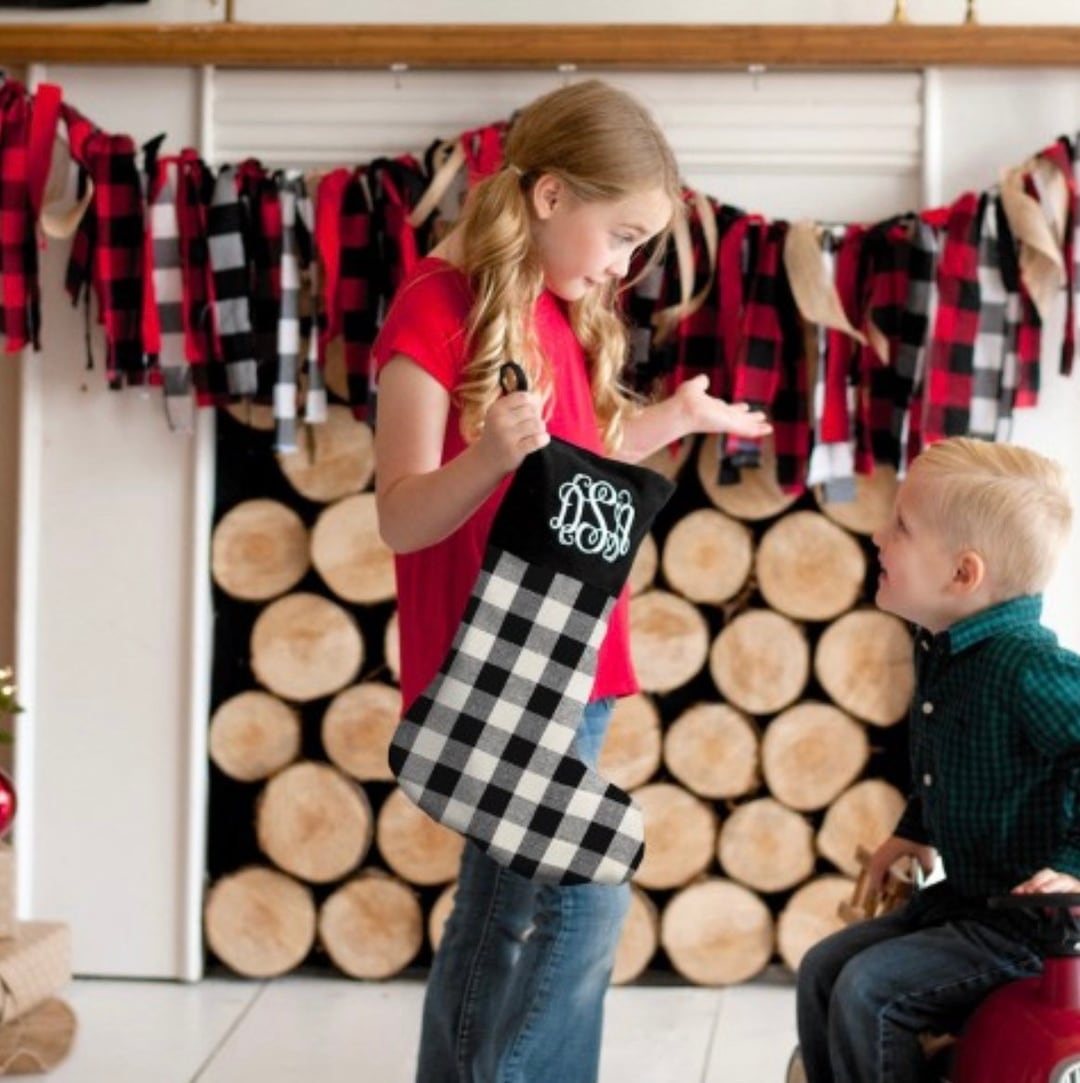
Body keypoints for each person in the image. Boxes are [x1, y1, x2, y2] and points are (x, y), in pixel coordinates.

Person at [372, 79, 770, 1083]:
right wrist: (483, 461)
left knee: (509, 905)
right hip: (496, 665)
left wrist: (670, 419)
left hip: (570, 655)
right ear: (550, 198)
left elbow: (568, 467)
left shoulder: (557, 309)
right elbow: (402, 513)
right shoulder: (435, 309)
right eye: (621, 234)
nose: (627, 266)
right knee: (571, 894)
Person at [795, 436, 1080, 1083]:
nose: (876, 534)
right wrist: (915, 829)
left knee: (870, 989)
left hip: (1026, 927)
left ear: (962, 573)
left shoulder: (1027, 666)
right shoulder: (942, 646)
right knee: (822, 968)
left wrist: (1070, 866)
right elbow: (949, 760)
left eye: (900, 526)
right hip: (966, 901)